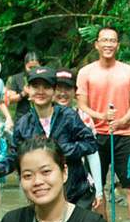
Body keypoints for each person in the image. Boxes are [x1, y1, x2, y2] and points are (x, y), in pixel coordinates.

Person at [8, 67, 99, 208]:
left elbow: (90, 143)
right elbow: (14, 156)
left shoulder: (68, 116)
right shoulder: (23, 124)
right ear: (28, 89)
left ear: (53, 90)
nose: (40, 91)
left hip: (75, 193)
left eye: (46, 87)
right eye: (35, 87)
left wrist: (61, 151)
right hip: (41, 193)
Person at [76, 28, 130, 205]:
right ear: (97, 44)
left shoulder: (129, 71)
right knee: (96, 187)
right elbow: (81, 105)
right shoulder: (85, 72)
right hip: (95, 135)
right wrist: (102, 116)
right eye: (104, 40)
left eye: (112, 41)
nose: (108, 44)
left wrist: (122, 120)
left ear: (117, 45)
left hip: (124, 134)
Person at [54, 69, 104, 214]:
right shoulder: (44, 117)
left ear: (75, 91)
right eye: (58, 88)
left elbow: (92, 154)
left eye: (67, 88)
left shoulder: (83, 117)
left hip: (78, 181)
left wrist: (99, 191)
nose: (63, 93)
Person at [5, 50, 42, 122]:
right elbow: (10, 100)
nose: (32, 70)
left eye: (35, 67)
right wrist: (23, 93)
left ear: (40, 65)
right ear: (25, 65)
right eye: (30, 67)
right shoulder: (17, 78)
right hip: (22, 117)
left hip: (41, 115)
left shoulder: (45, 78)